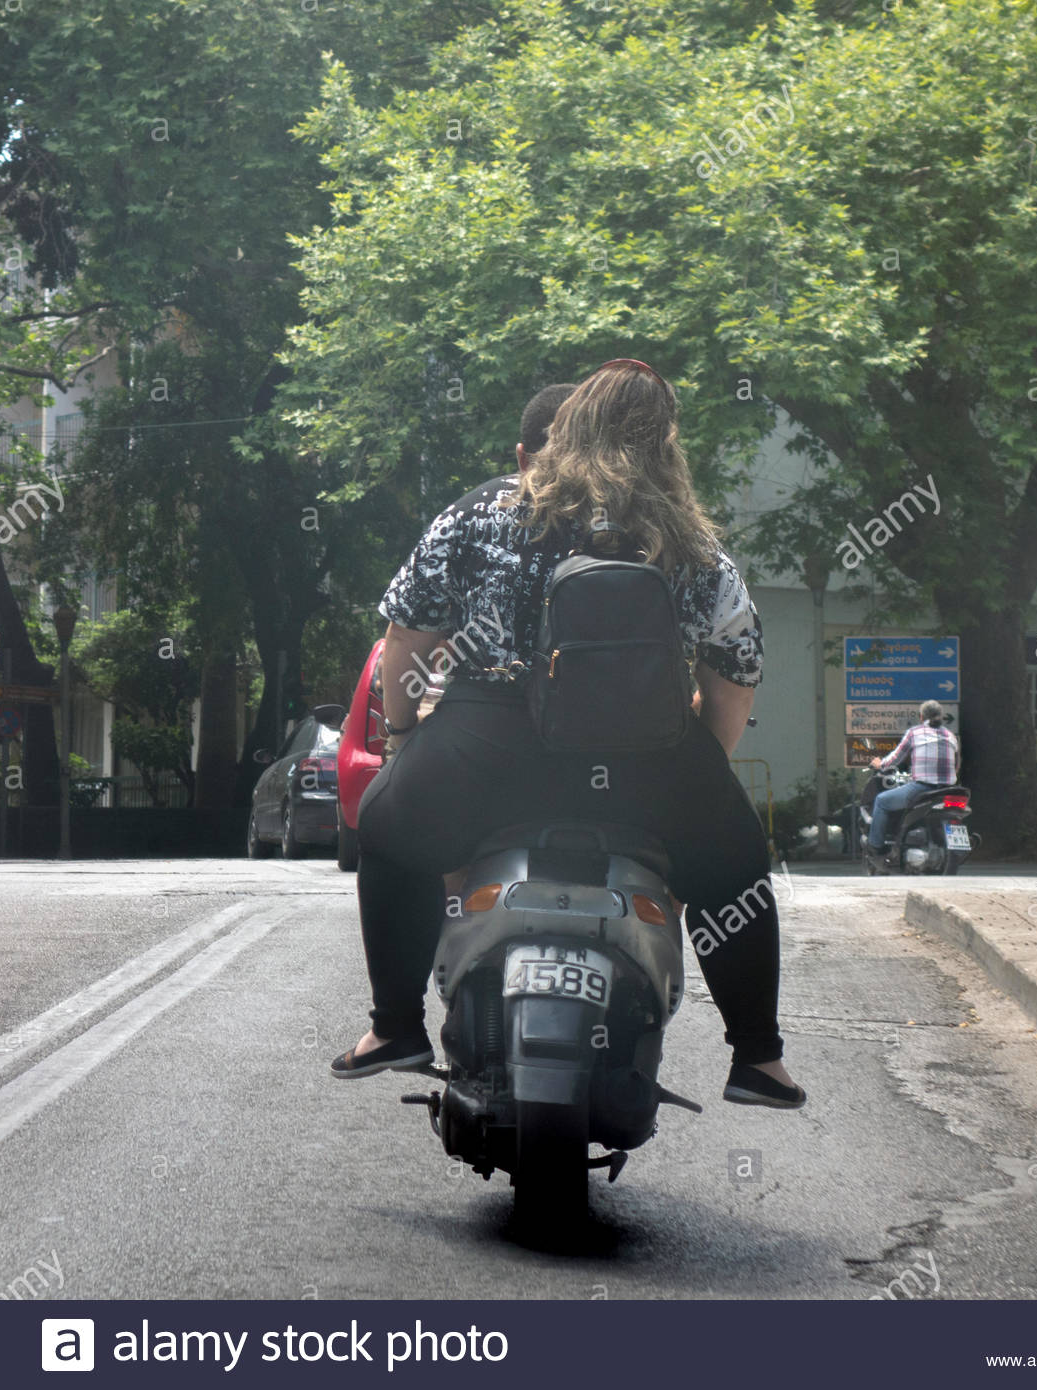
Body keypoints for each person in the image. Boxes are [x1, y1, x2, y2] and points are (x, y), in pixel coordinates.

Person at [330, 359, 804, 1109]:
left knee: (386, 826)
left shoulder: (484, 512)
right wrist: (700, 771)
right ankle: (758, 1059)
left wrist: (399, 734)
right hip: (645, 765)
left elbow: (407, 638)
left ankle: (395, 1027)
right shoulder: (689, 540)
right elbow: (736, 668)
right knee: (740, 871)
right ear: (664, 447)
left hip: (488, 752)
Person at [864, 699, 960, 870]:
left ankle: (876, 848)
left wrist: (880, 764)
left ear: (921, 716)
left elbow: (895, 759)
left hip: (923, 788)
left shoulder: (914, 733)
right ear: (941, 716)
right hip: (948, 789)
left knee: (882, 801)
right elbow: (956, 765)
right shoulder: (950, 736)